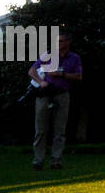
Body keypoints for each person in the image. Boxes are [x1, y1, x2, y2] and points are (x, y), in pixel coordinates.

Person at [29, 30, 82, 171]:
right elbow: (32, 71)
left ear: (68, 42)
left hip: (62, 94)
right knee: (40, 129)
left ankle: (56, 161)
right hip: (45, 94)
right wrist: (41, 82)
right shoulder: (48, 55)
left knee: (60, 129)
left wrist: (62, 74)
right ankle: (38, 160)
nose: (58, 44)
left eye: (61, 41)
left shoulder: (74, 58)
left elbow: (78, 76)